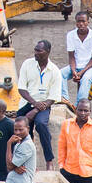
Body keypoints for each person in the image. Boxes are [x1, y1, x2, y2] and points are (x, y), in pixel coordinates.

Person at [17, 40, 62, 171]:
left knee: (41, 124)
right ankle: (27, 161)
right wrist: (33, 103)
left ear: (47, 52)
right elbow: (21, 89)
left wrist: (36, 109)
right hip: (28, 102)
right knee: (22, 127)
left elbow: (53, 97)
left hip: (44, 105)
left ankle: (49, 160)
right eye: (35, 50)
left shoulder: (54, 71)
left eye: (39, 50)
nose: (35, 53)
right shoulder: (27, 64)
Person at [63, 11, 92, 105]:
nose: (81, 24)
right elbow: (71, 57)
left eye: (83, 21)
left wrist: (81, 72)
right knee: (60, 74)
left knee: (85, 79)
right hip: (76, 65)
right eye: (78, 21)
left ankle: (79, 106)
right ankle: (64, 101)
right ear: (75, 22)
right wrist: (73, 71)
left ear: (88, 22)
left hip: (91, 67)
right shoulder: (71, 35)